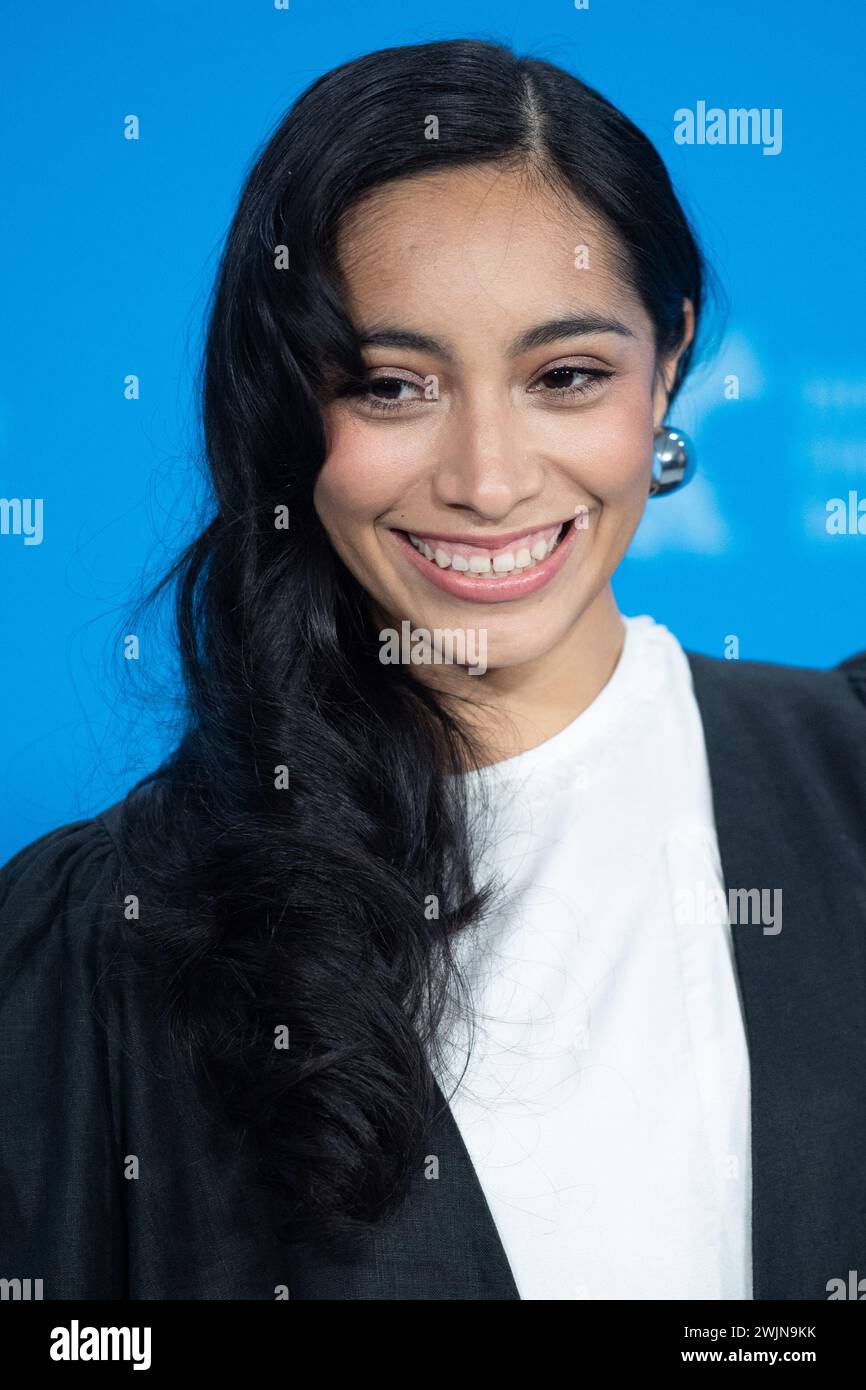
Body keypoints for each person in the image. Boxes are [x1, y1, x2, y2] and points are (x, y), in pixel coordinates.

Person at [1, 37, 864, 1302]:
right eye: (393, 386)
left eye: (565, 375)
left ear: (668, 358)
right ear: (286, 399)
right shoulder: (96, 940)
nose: (486, 479)